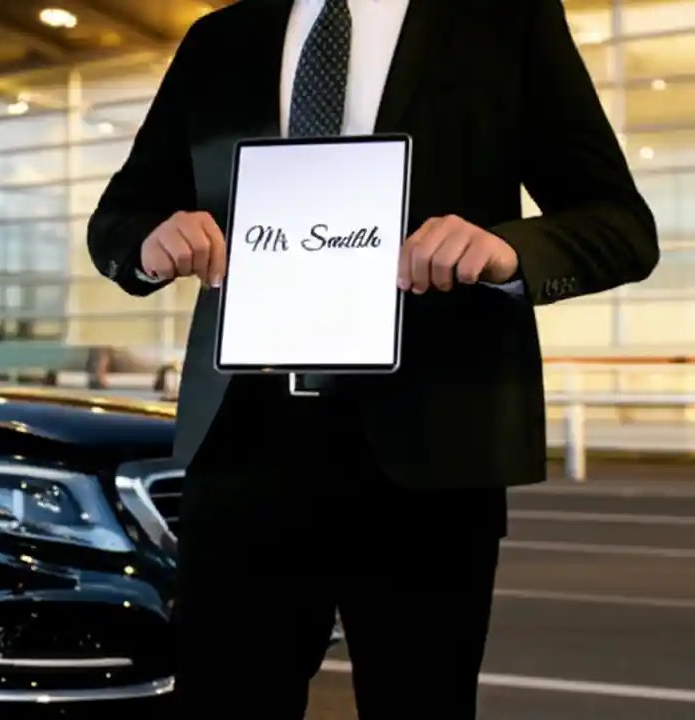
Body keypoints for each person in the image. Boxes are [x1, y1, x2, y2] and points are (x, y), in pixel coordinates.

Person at [86, 1, 659, 717]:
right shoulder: (218, 39)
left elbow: (621, 226)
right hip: (240, 444)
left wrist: (507, 251)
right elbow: (119, 218)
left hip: (433, 446)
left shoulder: (505, 21)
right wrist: (148, 245)